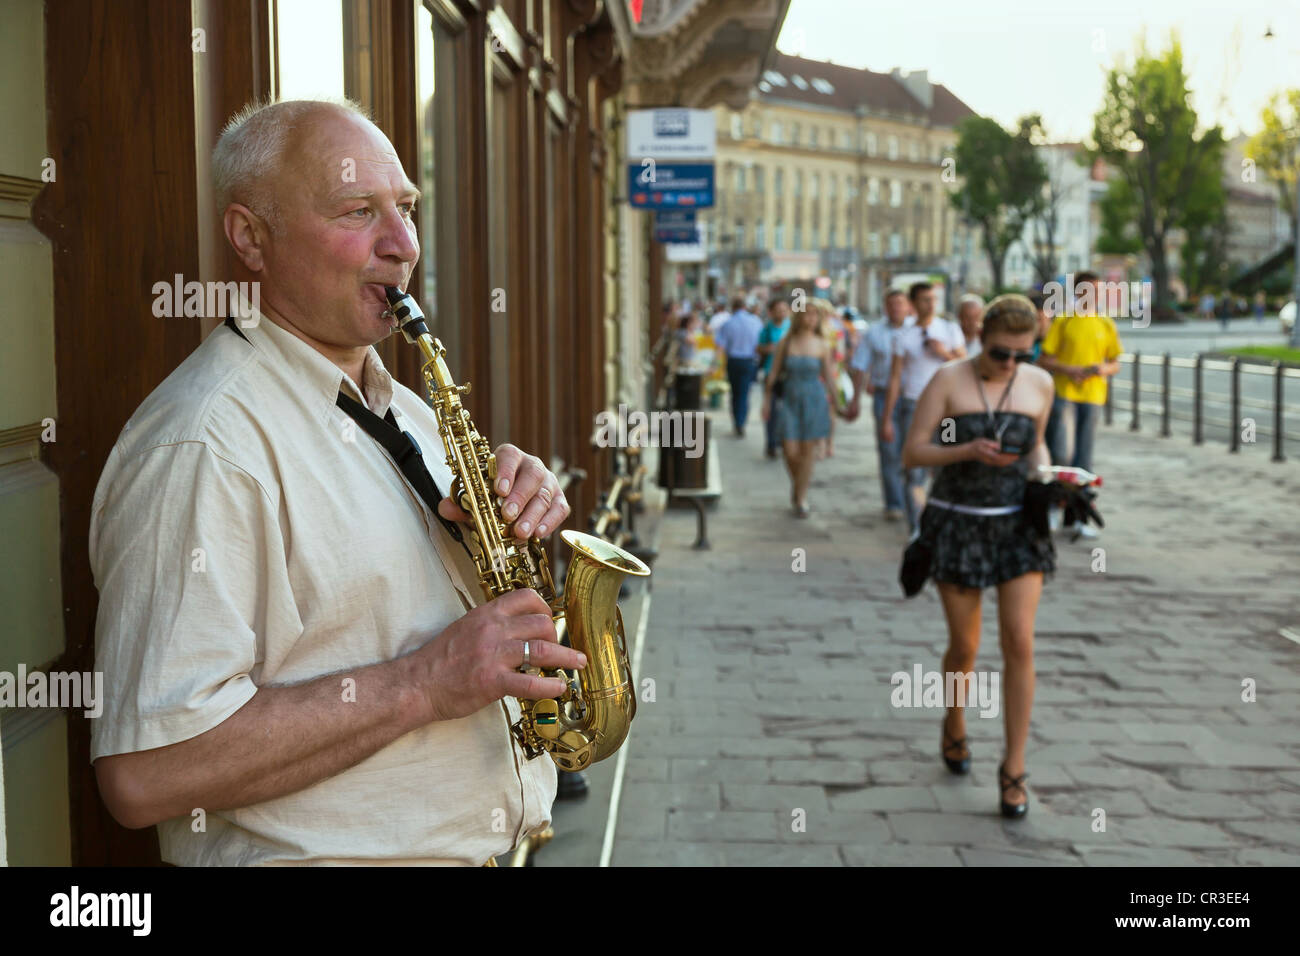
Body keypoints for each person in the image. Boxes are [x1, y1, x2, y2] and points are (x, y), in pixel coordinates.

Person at [88, 99, 580, 866]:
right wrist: (425, 682)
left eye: (407, 209)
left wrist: (517, 509)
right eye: (358, 212)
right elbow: (146, 773)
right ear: (251, 237)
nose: (403, 245)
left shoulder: (402, 406)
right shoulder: (202, 446)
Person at [900, 294, 1056, 819]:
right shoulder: (949, 379)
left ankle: (1014, 769)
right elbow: (913, 452)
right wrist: (965, 450)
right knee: (964, 646)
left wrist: (1052, 478)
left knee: (1019, 641)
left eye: (1022, 354)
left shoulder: (1039, 385)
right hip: (958, 521)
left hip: (1017, 525)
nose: (1010, 364)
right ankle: (955, 720)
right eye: (999, 353)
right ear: (980, 339)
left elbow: (1036, 446)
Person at [1036, 271, 1122, 539]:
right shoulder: (1064, 320)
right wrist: (1069, 369)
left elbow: (1115, 362)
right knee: (1061, 453)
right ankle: (1052, 507)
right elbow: (1044, 359)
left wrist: (1101, 369)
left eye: (1096, 290)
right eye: (1086, 290)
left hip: (1093, 396)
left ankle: (1077, 517)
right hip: (1065, 394)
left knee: (1083, 460)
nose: (1092, 295)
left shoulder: (1105, 323)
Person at [881, 281, 967, 538]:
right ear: (913, 304)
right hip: (914, 406)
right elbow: (895, 377)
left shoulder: (949, 329)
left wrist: (943, 352)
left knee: (947, 460)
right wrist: (887, 417)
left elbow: (966, 365)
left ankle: (943, 520)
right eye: (924, 300)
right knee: (914, 464)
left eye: (933, 299)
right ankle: (917, 525)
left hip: (947, 411)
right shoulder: (903, 336)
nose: (930, 304)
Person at [762, 298, 835, 517]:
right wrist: (766, 401)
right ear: (799, 316)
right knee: (790, 451)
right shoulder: (786, 342)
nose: (810, 318)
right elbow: (773, 373)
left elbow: (829, 378)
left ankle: (800, 498)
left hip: (814, 399)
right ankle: (798, 487)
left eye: (815, 314)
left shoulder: (822, 344)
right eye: (807, 313)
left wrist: (838, 405)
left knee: (807, 452)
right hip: (790, 398)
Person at [845, 289, 910, 519]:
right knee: (888, 449)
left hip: (913, 397)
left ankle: (913, 497)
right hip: (884, 395)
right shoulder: (874, 333)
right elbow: (860, 365)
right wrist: (855, 400)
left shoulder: (916, 331)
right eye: (891, 304)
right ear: (885, 307)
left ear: (908, 306)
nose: (896, 309)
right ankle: (894, 502)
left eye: (900, 304)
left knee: (913, 448)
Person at [714, 295, 765, 438]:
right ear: (744, 307)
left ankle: (738, 420)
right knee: (744, 392)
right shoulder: (755, 321)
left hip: (734, 361)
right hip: (749, 361)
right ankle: (741, 421)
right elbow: (759, 343)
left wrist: (715, 364)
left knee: (735, 393)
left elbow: (720, 346)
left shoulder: (728, 323)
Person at [757, 298, 792, 458]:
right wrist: (767, 349)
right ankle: (771, 442)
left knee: (786, 410)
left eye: (784, 310)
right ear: (772, 312)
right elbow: (758, 348)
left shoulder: (791, 328)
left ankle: (782, 441)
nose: (781, 313)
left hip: (788, 374)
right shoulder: (767, 328)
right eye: (778, 310)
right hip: (770, 372)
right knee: (770, 409)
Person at [956, 293, 985, 358]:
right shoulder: (950, 337)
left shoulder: (986, 339)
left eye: (976, 317)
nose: (972, 322)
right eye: (967, 317)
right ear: (959, 316)